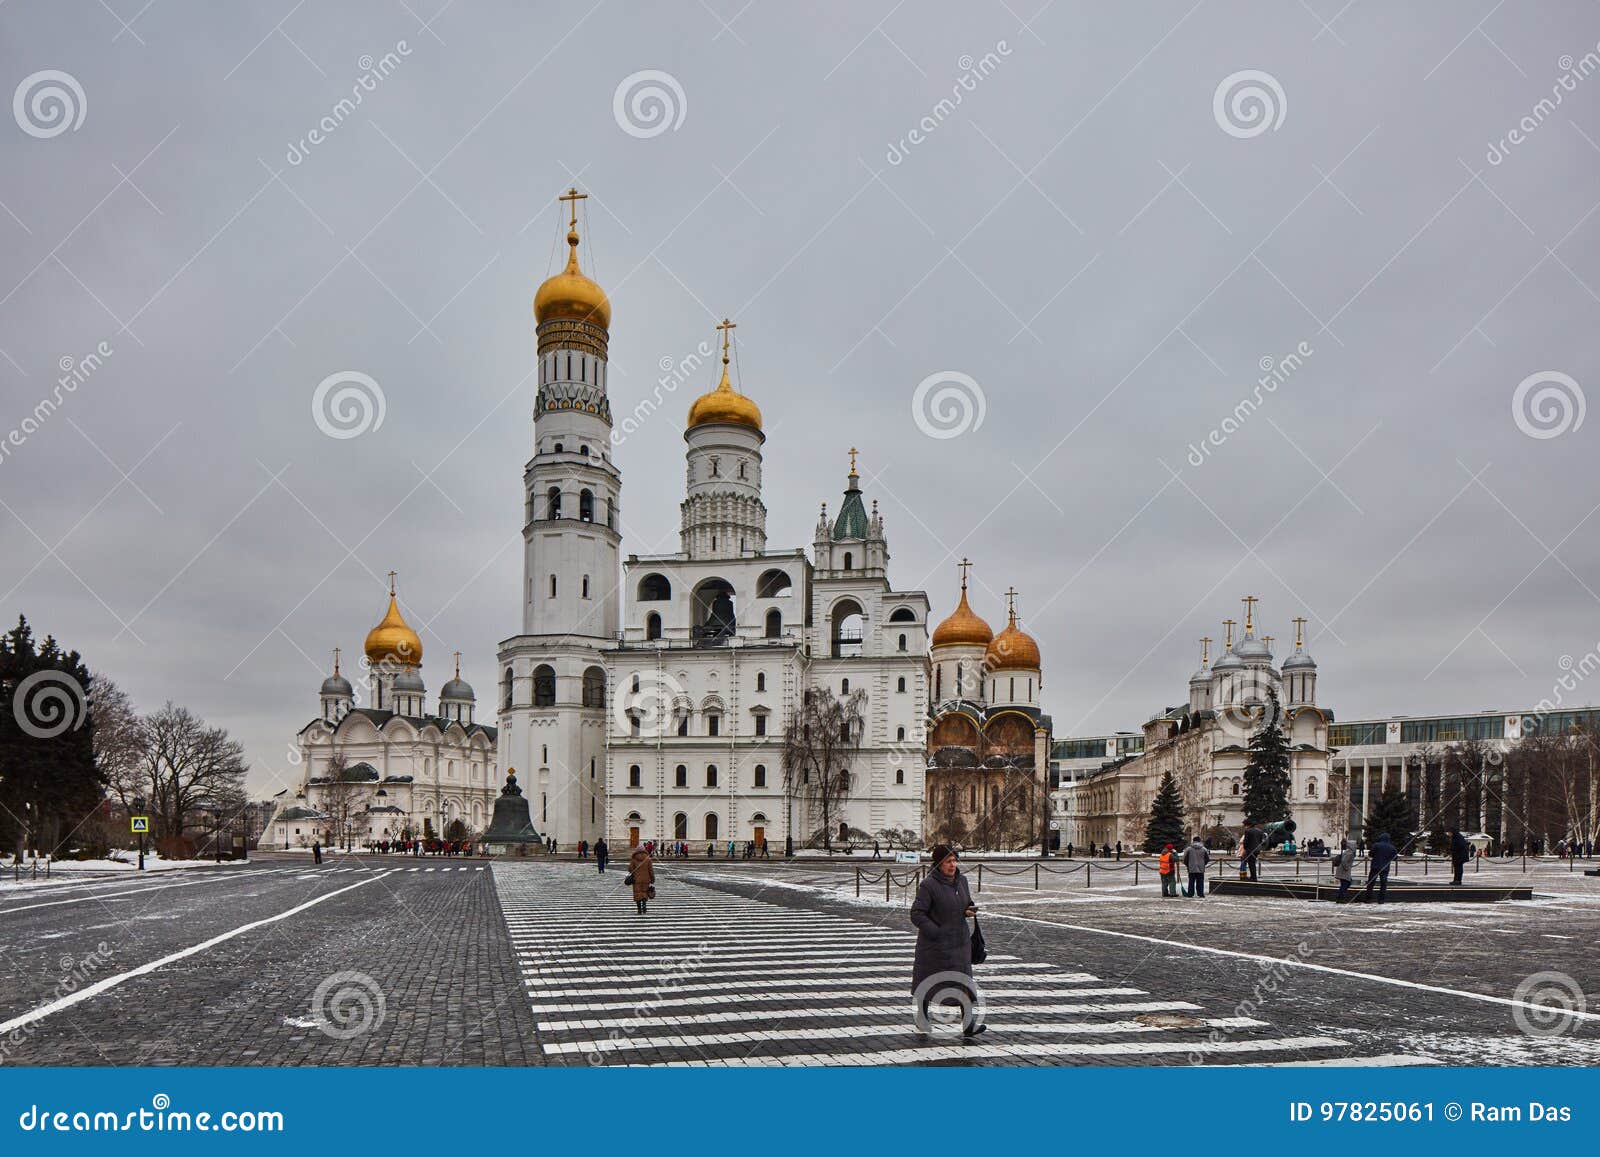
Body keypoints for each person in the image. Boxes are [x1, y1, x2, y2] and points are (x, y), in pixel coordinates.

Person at [909, 845, 985, 1038]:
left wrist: (969, 909)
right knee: (928, 982)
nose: (952, 865)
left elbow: (965, 903)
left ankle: (969, 1024)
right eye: (948, 861)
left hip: (959, 943)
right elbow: (917, 913)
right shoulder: (928, 885)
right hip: (935, 946)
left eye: (954, 860)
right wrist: (936, 931)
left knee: (964, 983)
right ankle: (922, 1018)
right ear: (939, 864)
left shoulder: (962, 881)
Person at [1363, 831, 1398, 903]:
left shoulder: (1376, 845)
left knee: (1371, 883)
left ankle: (1368, 899)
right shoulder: (1392, 847)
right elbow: (1395, 858)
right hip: (1385, 868)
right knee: (1383, 884)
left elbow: (1371, 854)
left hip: (1375, 867)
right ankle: (1381, 900)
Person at [628, 846, 655, 915]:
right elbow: (651, 871)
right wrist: (652, 879)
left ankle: (639, 909)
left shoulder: (634, 859)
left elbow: (630, 869)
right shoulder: (648, 859)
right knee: (644, 893)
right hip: (646, 879)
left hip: (637, 880)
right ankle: (644, 905)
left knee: (638, 894)